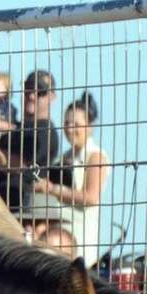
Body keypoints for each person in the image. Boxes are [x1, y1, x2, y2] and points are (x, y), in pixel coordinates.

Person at [34, 92, 108, 261]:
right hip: (57, 231)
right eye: (67, 123)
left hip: (80, 233)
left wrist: (53, 189)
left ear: (90, 127)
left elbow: (91, 196)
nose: (70, 129)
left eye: (76, 124)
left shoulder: (95, 156)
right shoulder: (62, 158)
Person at [0, 69, 63, 215]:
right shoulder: (13, 127)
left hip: (19, 213)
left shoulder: (45, 132)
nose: (32, 96)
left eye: (40, 92)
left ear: (52, 97)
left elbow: (22, 166)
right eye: (28, 89)